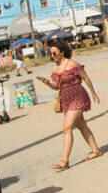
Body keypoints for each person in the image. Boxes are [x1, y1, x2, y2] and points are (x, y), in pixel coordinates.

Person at [38, 38, 101, 169]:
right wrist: (48, 83)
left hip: (78, 96)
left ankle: (64, 159)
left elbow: (86, 78)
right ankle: (95, 151)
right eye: (50, 53)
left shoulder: (72, 64)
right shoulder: (54, 69)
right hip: (66, 99)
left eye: (55, 53)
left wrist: (94, 93)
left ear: (62, 52)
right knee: (81, 125)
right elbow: (56, 87)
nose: (52, 56)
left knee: (67, 127)